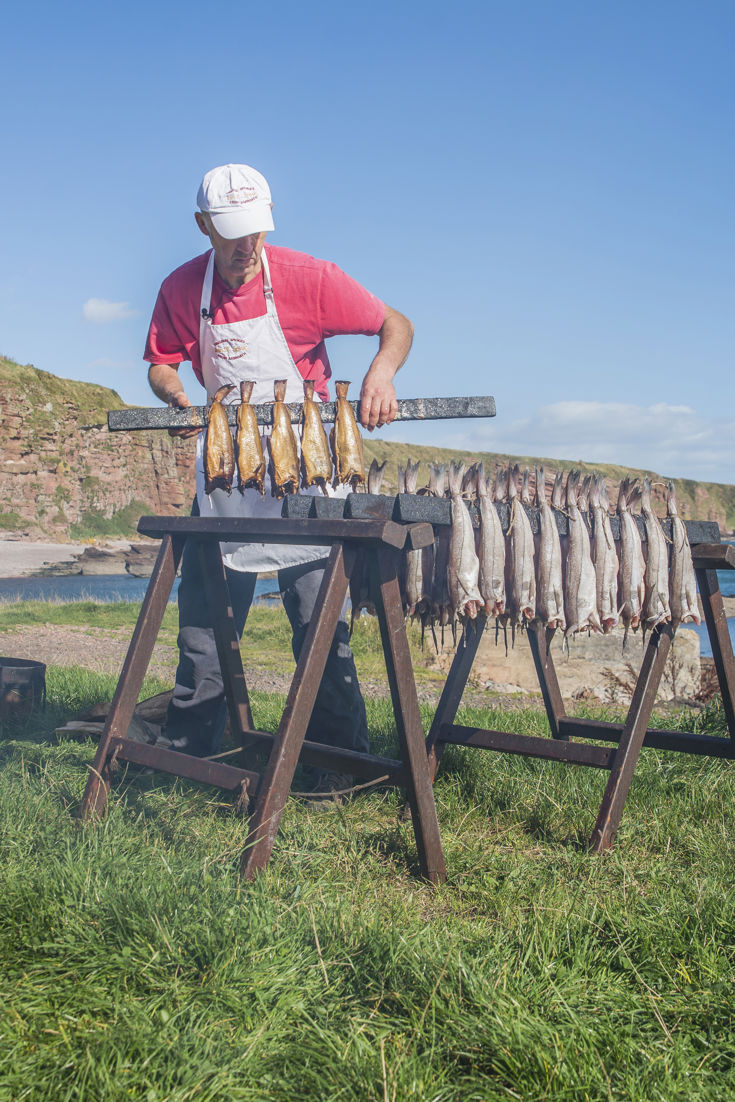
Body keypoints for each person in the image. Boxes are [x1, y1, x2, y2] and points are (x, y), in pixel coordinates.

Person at [144, 163, 413, 791]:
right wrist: (177, 397)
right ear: (203, 226)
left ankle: (340, 768)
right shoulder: (183, 288)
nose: (246, 248)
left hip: (310, 484)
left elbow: (395, 324)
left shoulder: (308, 278)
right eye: (233, 233)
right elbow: (160, 362)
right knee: (207, 632)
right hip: (227, 480)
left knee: (319, 625)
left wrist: (381, 375)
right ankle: (195, 755)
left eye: (256, 232)